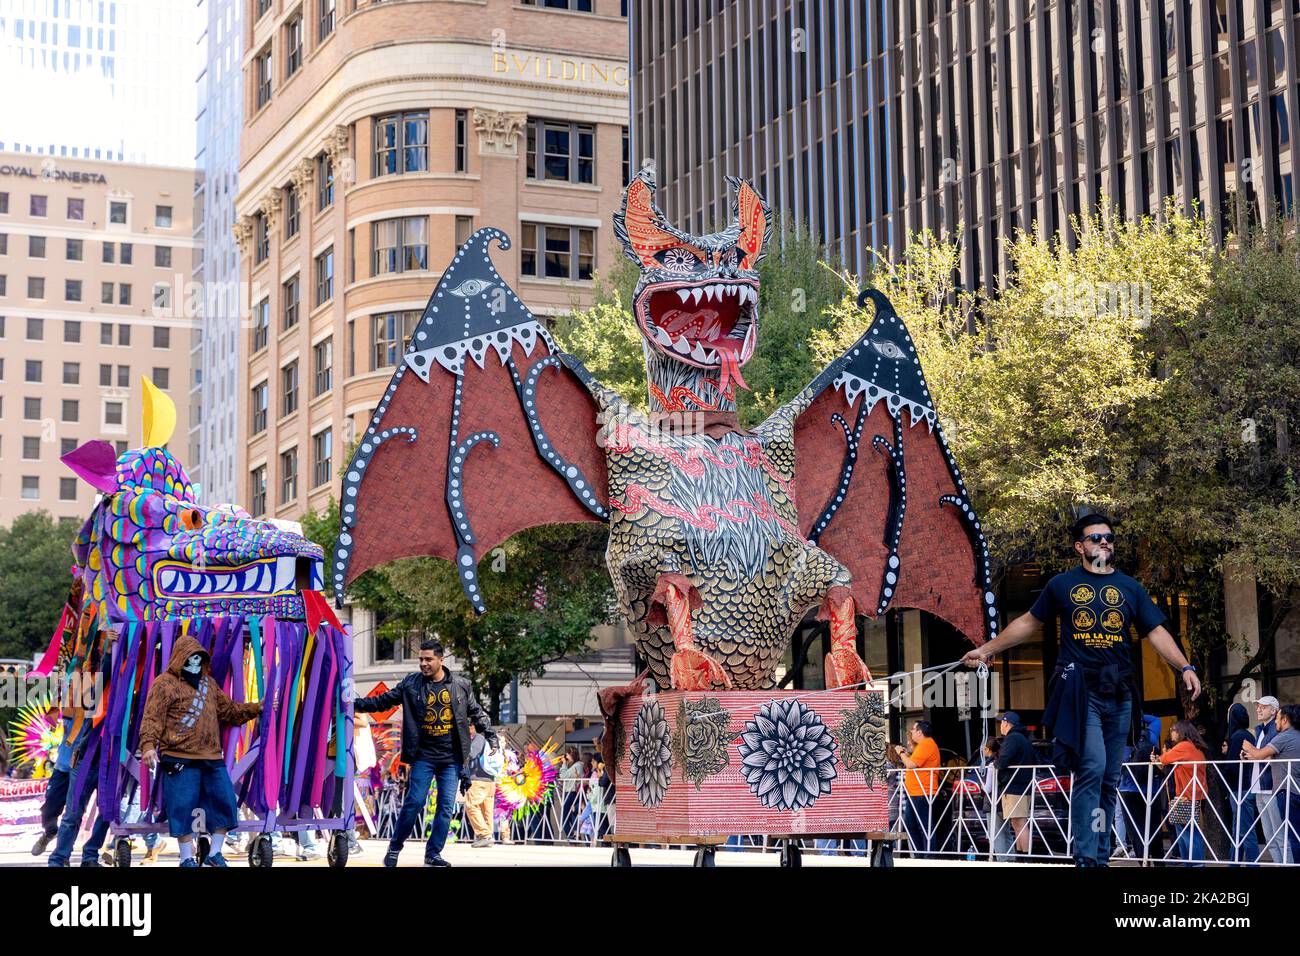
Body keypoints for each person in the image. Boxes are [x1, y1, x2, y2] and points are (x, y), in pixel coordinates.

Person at [963, 513, 1201, 866]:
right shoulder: (1062, 584)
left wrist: (1185, 666)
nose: (1104, 542)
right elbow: (1028, 623)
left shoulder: (1130, 588)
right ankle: (1087, 856)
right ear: (1080, 546)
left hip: (1119, 691)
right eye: (1095, 538)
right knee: (1093, 766)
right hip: (1081, 690)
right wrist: (986, 649)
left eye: (1108, 537)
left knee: (1109, 777)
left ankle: (1099, 854)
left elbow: (1157, 631)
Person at [353, 640, 495, 867]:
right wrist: (354, 704)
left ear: (441, 660)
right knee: (414, 802)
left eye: (428, 659)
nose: (423, 664)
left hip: (452, 759)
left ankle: (433, 854)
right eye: (421, 659)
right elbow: (383, 701)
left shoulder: (461, 685)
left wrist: (491, 735)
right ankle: (394, 848)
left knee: (446, 808)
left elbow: (476, 712)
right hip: (423, 757)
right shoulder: (411, 684)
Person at [139, 635, 263, 868]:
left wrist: (257, 707)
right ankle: (186, 857)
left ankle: (214, 854)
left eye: (199, 657)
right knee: (181, 806)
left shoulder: (209, 684)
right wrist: (147, 746)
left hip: (211, 757)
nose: (195, 662)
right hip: (178, 757)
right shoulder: (163, 683)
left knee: (225, 802)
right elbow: (152, 717)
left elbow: (230, 711)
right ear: (179, 658)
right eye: (190, 657)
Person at [1243, 702, 1300, 866]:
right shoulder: (1296, 735)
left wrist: (1248, 746)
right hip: (1291, 789)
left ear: (1285, 719)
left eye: (1278, 718)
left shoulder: (1284, 736)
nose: (1276, 721)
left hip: (1286, 791)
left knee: (1289, 836)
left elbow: (1259, 754)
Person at [1154, 721, 1209, 866]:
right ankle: (1192, 863)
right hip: (1196, 795)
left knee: (1188, 833)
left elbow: (1164, 759)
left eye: (1173, 730)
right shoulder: (1196, 747)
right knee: (1186, 831)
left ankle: (1195, 864)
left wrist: (1157, 759)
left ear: (1181, 732)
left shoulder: (1183, 747)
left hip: (1187, 795)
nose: (1171, 732)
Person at [895, 720, 941, 857]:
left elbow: (911, 765)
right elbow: (915, 762)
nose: (911, 732)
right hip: (915, 792)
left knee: (924, 826)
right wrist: (906, 755)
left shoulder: (927, 744)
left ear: (920, 732)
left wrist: (900, 753)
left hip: (923, 792)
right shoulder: (923, 745)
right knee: (911, 825)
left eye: (913, 729)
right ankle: (920, 855)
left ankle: (928, 856)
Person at [1222, 701, 1259, 864]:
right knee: (1238, 831)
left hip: (1240, 789)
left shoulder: (1238, 736)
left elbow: (1232, 766)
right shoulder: (1247, 734)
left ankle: (1252, 863)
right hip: (1243, 788)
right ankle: (1233, 863)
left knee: (1246, 831)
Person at [994, 712, 1034, 856]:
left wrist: (995, 763)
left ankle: (1027, 857)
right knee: (1017, 823)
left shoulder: (1012, 739)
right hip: (1021, 785)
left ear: (1007, 723)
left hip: (1015, 786)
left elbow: (1004, 760)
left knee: (1019, 823)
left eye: (1001, 723)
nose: (1000, 727)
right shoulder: (1023, 738)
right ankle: (1022, 856)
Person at [1249, 696, 1284, 863]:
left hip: (1271, 786)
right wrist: (1248, 755)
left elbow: (1267, 754)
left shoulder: (1275, 729)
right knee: (1270, 836)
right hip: (1259, 786)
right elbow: (1259, 754)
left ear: (1273, 710)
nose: (1258, 709)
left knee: (1279, 834)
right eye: (1257, 706)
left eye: (1263, 706)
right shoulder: (1259, 730)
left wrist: (1252, 750)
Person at [464, 724, 500, 847]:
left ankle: (484, 835)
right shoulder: (490, 739)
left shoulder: (478, 738)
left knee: (471, 805)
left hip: (478, 779)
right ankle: (487, 837)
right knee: (486, 810)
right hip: (489, 780)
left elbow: (472, 754)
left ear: (472, 726)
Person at [559, 747, 584, 841]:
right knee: (570, 815)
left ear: (571, 755)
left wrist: (564, 764)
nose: (566, 757)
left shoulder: (577, 766)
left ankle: (572, 835)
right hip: (569, 792)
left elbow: (563, 775)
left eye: (567, 755)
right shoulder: (575, 765)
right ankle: (573, 834)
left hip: (572, 792)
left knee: (564, 816)